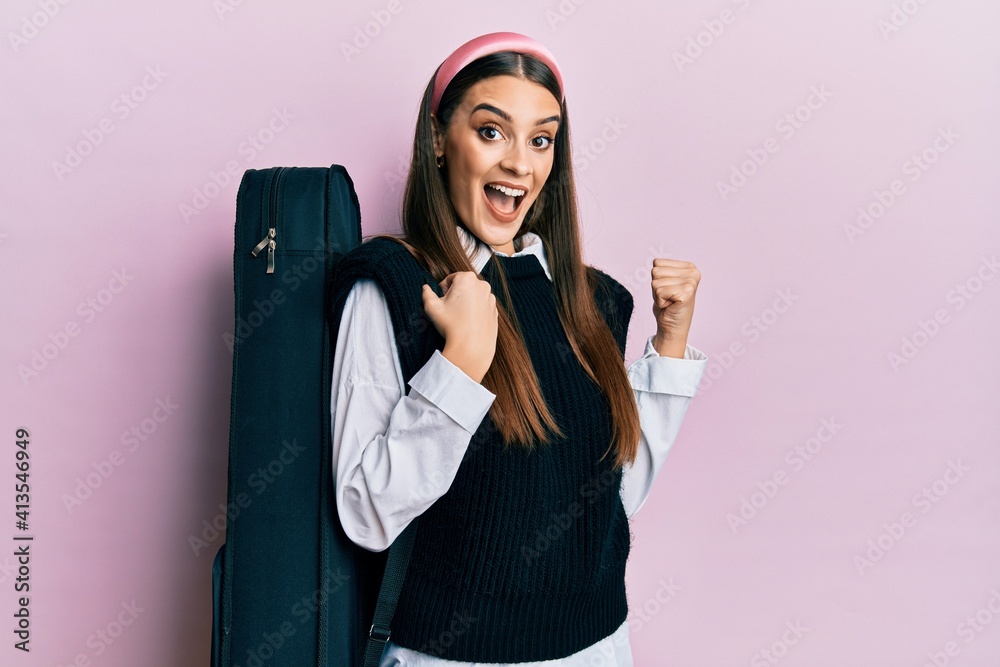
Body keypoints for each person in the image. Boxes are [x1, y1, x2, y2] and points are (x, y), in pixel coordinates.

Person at [328, 31, 708, 666]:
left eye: (541, 139)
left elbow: (605, 501)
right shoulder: (392, 285)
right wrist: (460, 366)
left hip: (600, 649)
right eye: (491, 131)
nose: (520, 165)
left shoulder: (594, 300)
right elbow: (366, 513)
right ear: (437, 141)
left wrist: (668, 348)